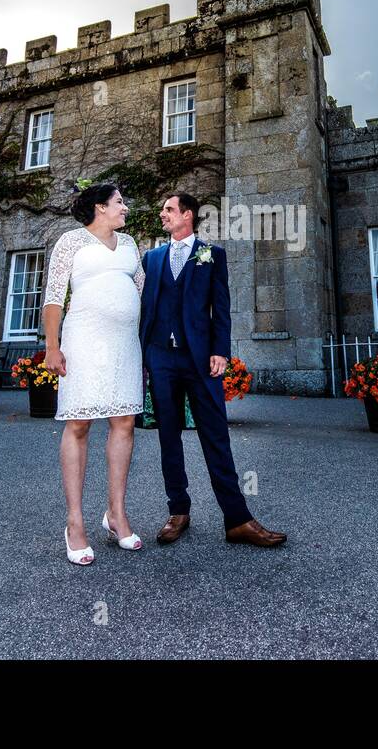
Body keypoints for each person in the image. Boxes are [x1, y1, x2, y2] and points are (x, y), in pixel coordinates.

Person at [138, 192, 287, 548]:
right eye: (163, 209)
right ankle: (178, 511)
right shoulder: (152, 258)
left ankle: (237, 519)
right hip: (161, 358)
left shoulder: (209, 254)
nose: (163, 214)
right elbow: (144, 306)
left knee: (215, 435)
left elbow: (221, 308)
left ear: (187, 215)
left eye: (169, 209)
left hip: (199, 359)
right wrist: (143, 355)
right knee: (168, 436)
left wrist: (220, 350)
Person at [43, 184, 146, 565]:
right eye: (120, 201)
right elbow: (54, 298)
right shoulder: (70, 242)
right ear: (100, 207)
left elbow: (140, 291)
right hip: (83, 340)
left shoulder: (131, 244)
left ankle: (116, 514)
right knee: (80, 424)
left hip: (124, 345)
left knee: (124, 422)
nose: (125, 207)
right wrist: (52, 347)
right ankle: (75, 523)